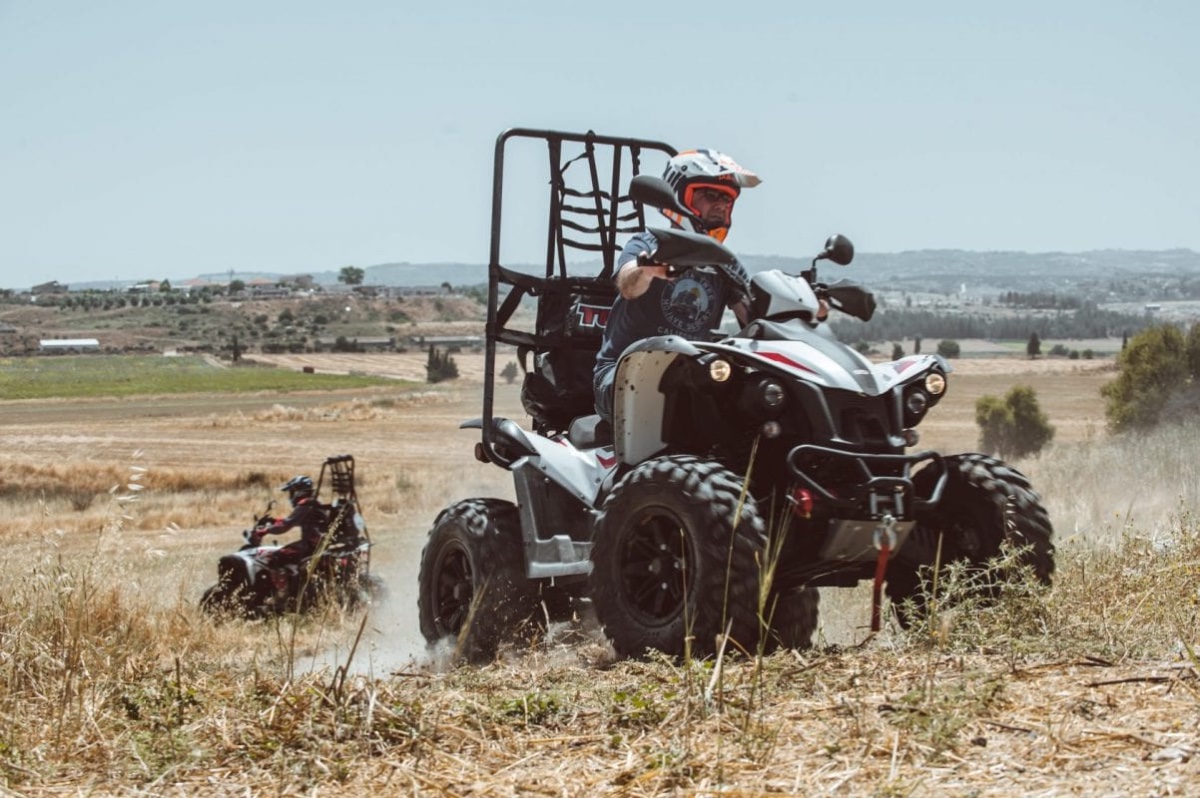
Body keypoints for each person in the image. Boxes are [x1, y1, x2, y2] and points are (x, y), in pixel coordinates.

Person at [592, 148, 761, 424]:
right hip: (625, 374)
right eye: (710, 195)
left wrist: (804, 311)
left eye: (726, 199)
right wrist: (648, 269)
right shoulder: (647, 245)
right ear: (681, 196)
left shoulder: (724, 262)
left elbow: (754, 316)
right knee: (677, 395)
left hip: (693, 376)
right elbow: (628, 285)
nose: (720, 205)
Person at [255, 475, 327, 570]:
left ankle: (287, 584)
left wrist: (265, 531)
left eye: (292, 492)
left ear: (299, 491)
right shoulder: (315, 503)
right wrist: (274, 520)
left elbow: (285, 526)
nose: (290, 495)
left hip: (309, 547)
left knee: (274, 557)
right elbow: (295, 521)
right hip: (318, 545)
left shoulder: (305, 504)